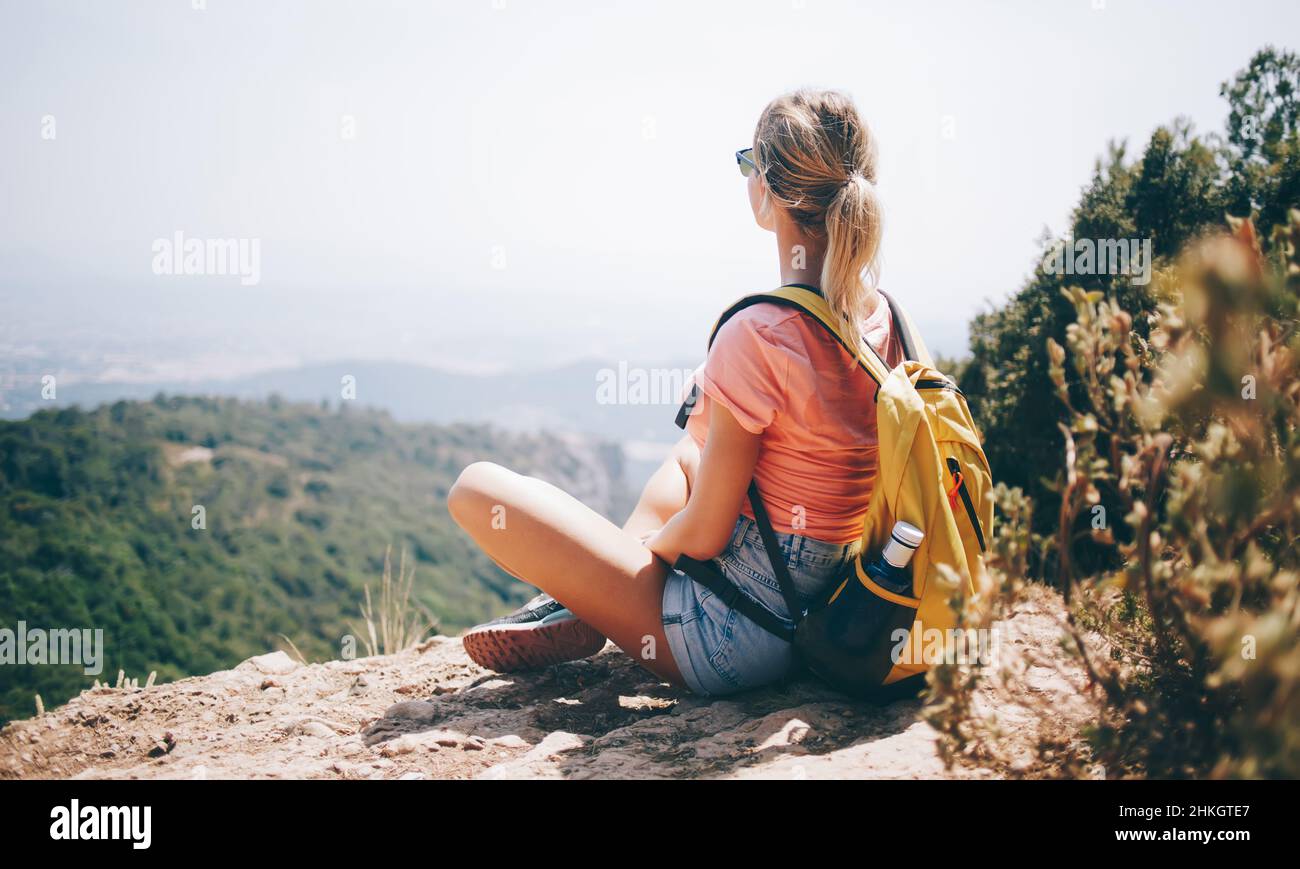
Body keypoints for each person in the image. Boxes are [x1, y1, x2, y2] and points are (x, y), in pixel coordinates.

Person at [447, 88, 904, 696]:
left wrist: (641, 552)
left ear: (766, 187)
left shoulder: (759, 332)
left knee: (474, 487)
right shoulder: (883, 319)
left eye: (749, 163)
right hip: (834, 607)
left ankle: (586, 602)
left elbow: (708, 533)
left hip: (732, 638)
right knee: (692, 450)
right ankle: (589, 600)